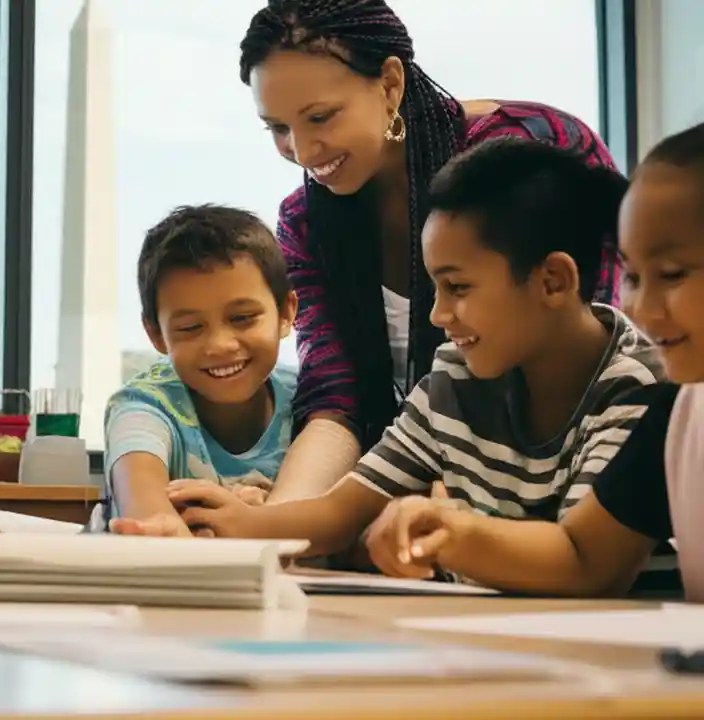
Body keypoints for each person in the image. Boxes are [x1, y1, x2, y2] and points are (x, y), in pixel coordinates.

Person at [113, 140, 662, 587]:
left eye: (458, 287)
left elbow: (587, 562)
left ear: (553, 281)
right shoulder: (454, 377)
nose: (439, 313)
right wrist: (242, 522)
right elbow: (340, 511)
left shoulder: (636, 387)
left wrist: (451, 531)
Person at [238, 0, 623, 500]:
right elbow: (336, 399)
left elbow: (595, 344)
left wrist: (457, 499)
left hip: (571, 484)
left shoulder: (535, 148)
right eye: (279, 128)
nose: (304, 151)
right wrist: (281, 523)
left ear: (390, 83)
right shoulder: (305, 222)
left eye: (321, 116)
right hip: (413, 499)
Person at [363, 122, 704, 600]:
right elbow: (584, 558)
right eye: (632, 276)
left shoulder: (635, 387)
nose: (643, 309)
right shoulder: (678, 413)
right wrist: (454, 533)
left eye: (671, 275)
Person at [104, 205, 297, 537]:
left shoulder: (313, 401)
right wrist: (157, 521)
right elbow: (139, 485)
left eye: (242, 318)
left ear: (286, 313)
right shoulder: (144, 404)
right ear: (156, 335)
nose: (220, 345)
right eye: (191, 327)